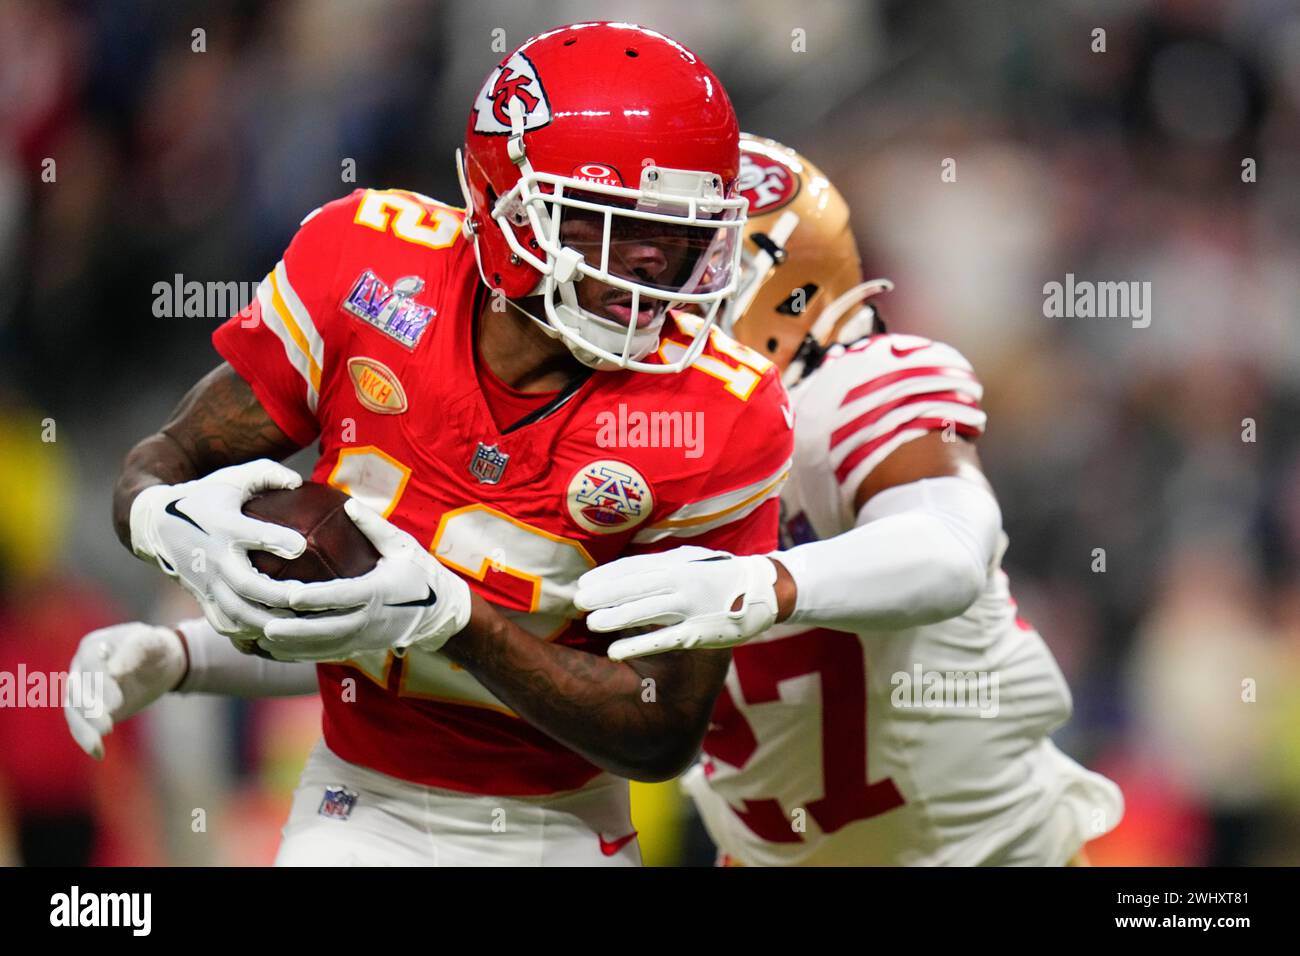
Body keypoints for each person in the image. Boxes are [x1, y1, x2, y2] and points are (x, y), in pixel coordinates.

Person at [70, 24, 792, 866]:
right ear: (504, 201)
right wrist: (173, 539)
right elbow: (162, 465)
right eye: (611, 227)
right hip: (357, 805)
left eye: (676, 235)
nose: (651, 272)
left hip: (561, 827)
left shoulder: (717, 410)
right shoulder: (368, 269)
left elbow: (658, 729)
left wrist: (455, 620)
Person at [573, 134, 1124, 865]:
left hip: (987, 854)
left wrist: (754, 585)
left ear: (774, 284)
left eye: (675, 266)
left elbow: (948, 549)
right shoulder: (613, 436)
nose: (642, 298)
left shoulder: (842, 392)